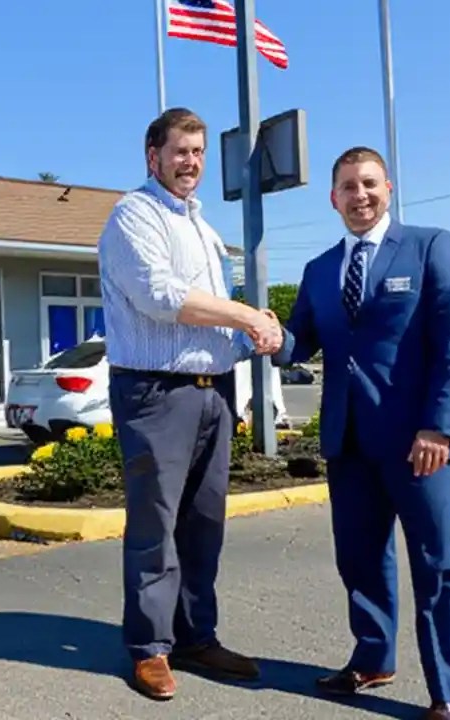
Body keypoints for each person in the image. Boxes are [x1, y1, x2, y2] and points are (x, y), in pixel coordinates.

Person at [271, 147, 450, 720]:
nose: (359, 196)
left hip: (421, 444)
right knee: (359, 560)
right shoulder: (318, 270)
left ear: (388, 187)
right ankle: (372, 658)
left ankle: (448, 692)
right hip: (350, 443)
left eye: (368, 184)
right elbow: (299, 345)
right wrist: (260, 331)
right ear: (332, 197)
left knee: (438, 567)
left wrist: (439, 425)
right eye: (347, 187)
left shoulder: (431, 246)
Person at [97, 107, 283, 701]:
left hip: (212, 395)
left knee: (205, 526)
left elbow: (208, 322)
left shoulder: (203, 228)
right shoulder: (134, 215)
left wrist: (257, 332)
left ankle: (197, 636)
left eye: (199, 152)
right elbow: (160, 297)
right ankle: (150, 647)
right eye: (181, 151)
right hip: (156, 394)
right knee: (156, 525)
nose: (192, 162)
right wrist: (244, 314)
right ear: (153, 156)